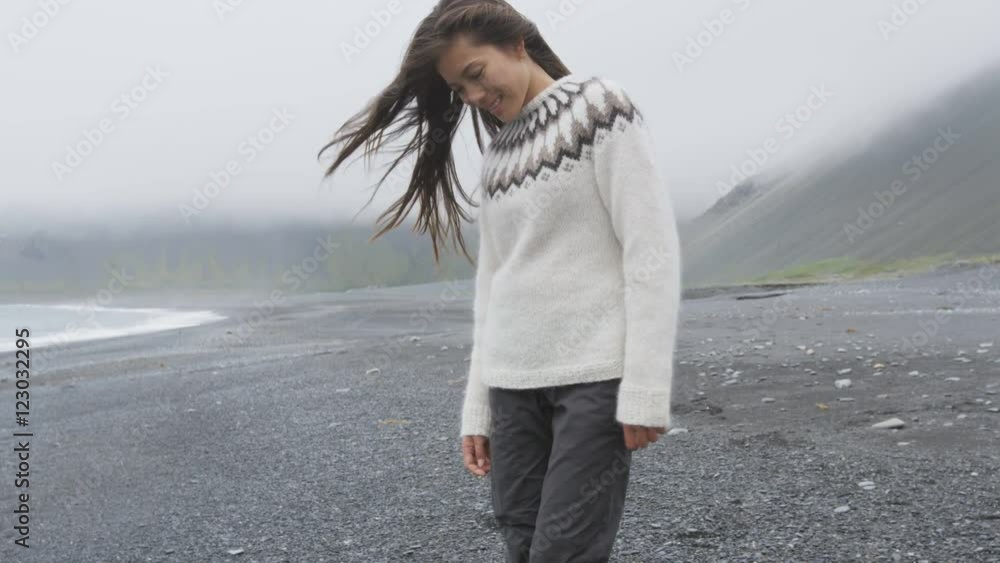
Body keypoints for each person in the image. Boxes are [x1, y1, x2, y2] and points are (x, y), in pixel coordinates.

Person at [318, 1, 682, 561]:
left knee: (564, 548)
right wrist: (477, 408)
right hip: (512, 383)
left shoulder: (601, 109)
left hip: (593, 379)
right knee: (520, 540)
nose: (472, 97)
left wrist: (646, 388)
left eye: (475, 75)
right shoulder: (497, 159)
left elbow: (650, 250)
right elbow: (492, 288)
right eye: (459, 89)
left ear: (516, 45)